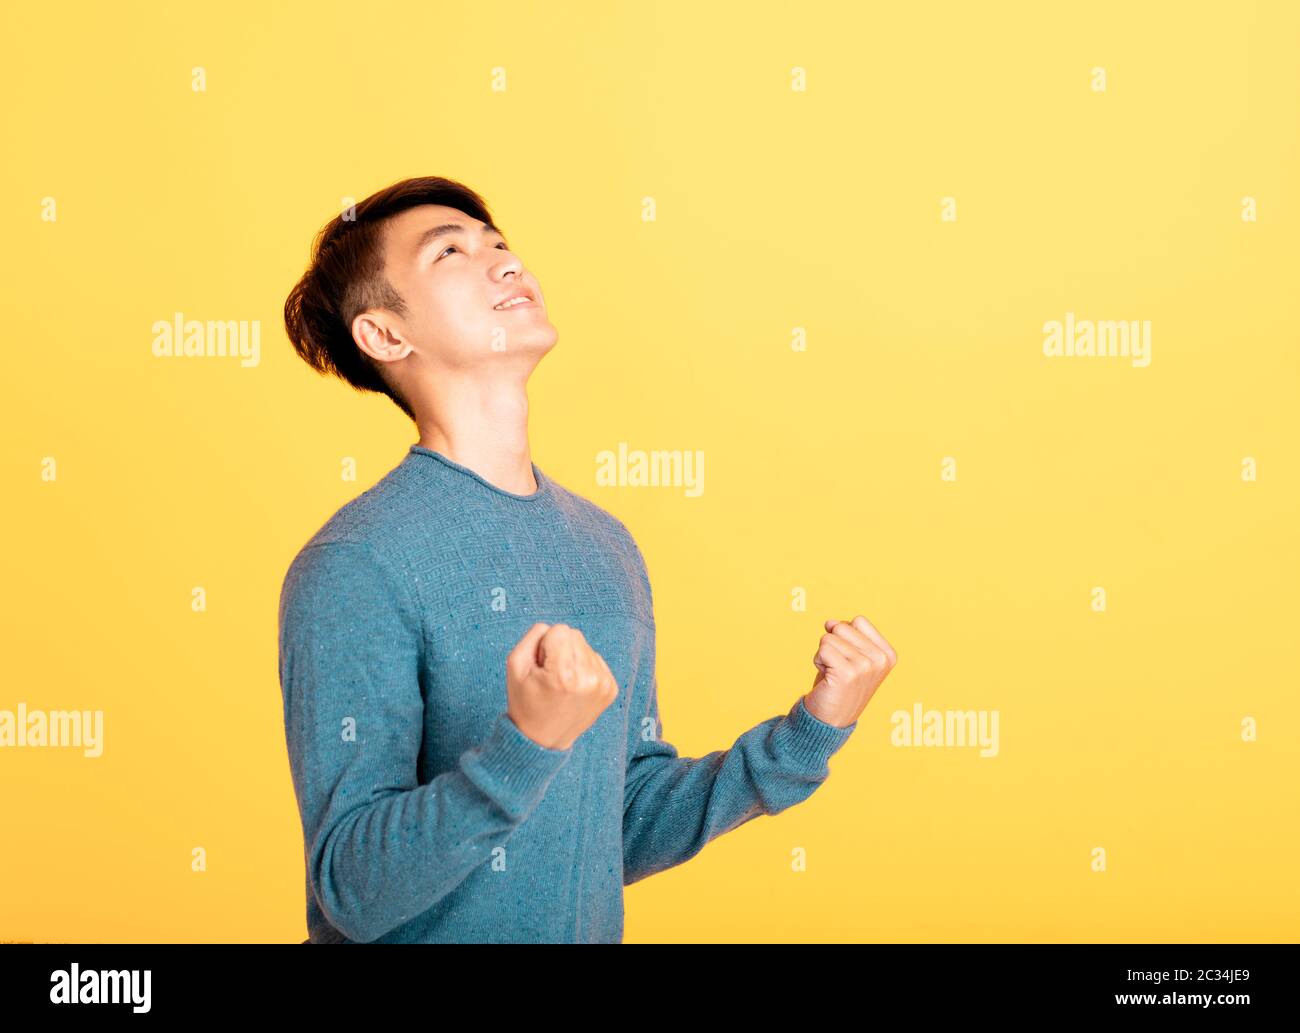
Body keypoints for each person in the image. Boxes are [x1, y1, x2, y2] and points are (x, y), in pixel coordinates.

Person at [278, 176, 898, 943]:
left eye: (499, 243)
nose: (505, 262)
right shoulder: (355, 563)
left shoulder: (605, 546)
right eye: (451, 253)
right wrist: (525, 745)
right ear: (383, 335)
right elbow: (352, 887)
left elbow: (621, 822)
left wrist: (808, 732)